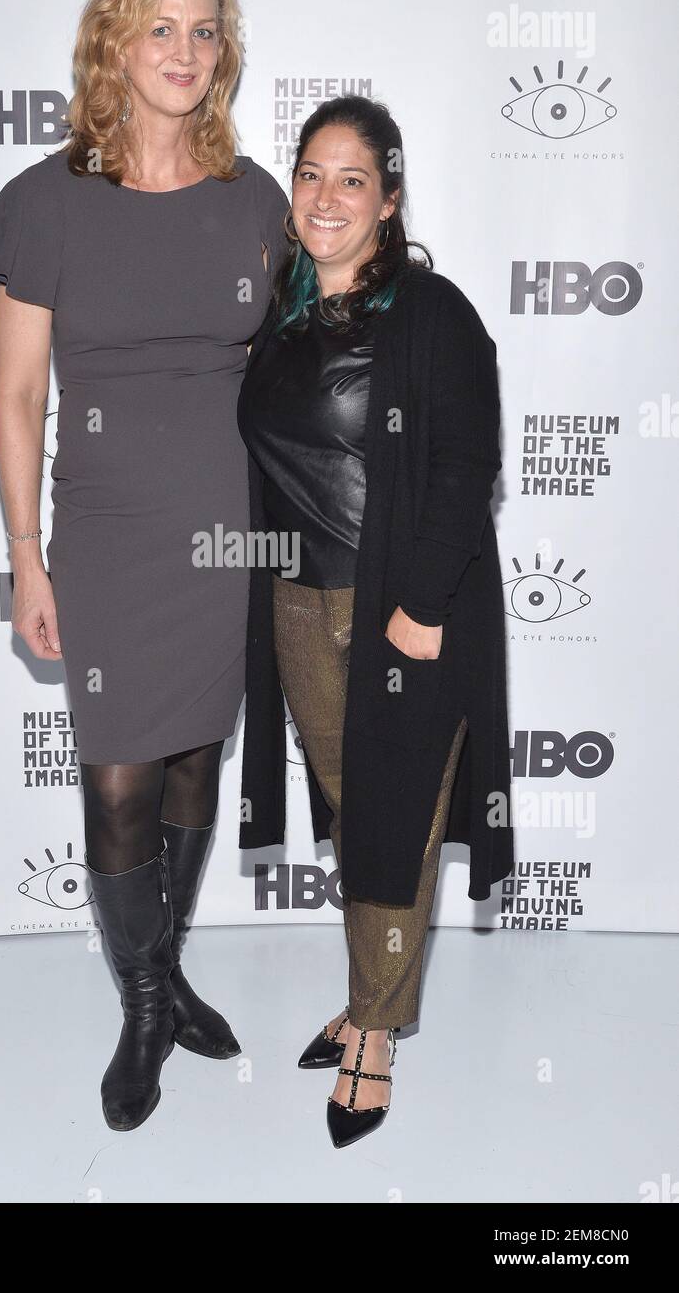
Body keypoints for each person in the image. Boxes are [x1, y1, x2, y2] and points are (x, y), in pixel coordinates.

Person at [0, 0, 289, 1132]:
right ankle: (145, 1005)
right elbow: (15, 397)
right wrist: (24, 556)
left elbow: (298, 362)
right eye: (161, 28)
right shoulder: (45, 200)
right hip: (103, 537)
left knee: (198, 756)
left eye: (204, 31)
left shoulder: (253, 199)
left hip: (232, 536)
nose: (185, 52)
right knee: (118, 781)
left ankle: (167, 967)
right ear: (116, 42)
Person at [238, 95, 514, 1148]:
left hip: (396, 612)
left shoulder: (432, 313)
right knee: (359, 819)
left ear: (388, 198)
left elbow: (465, 465)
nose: (324, 195)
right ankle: (369, 989)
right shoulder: (280, 314)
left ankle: (375, 1033)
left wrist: (419, 606)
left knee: (395, 823)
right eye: (309, 172)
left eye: (351, 177)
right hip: (298, 606)